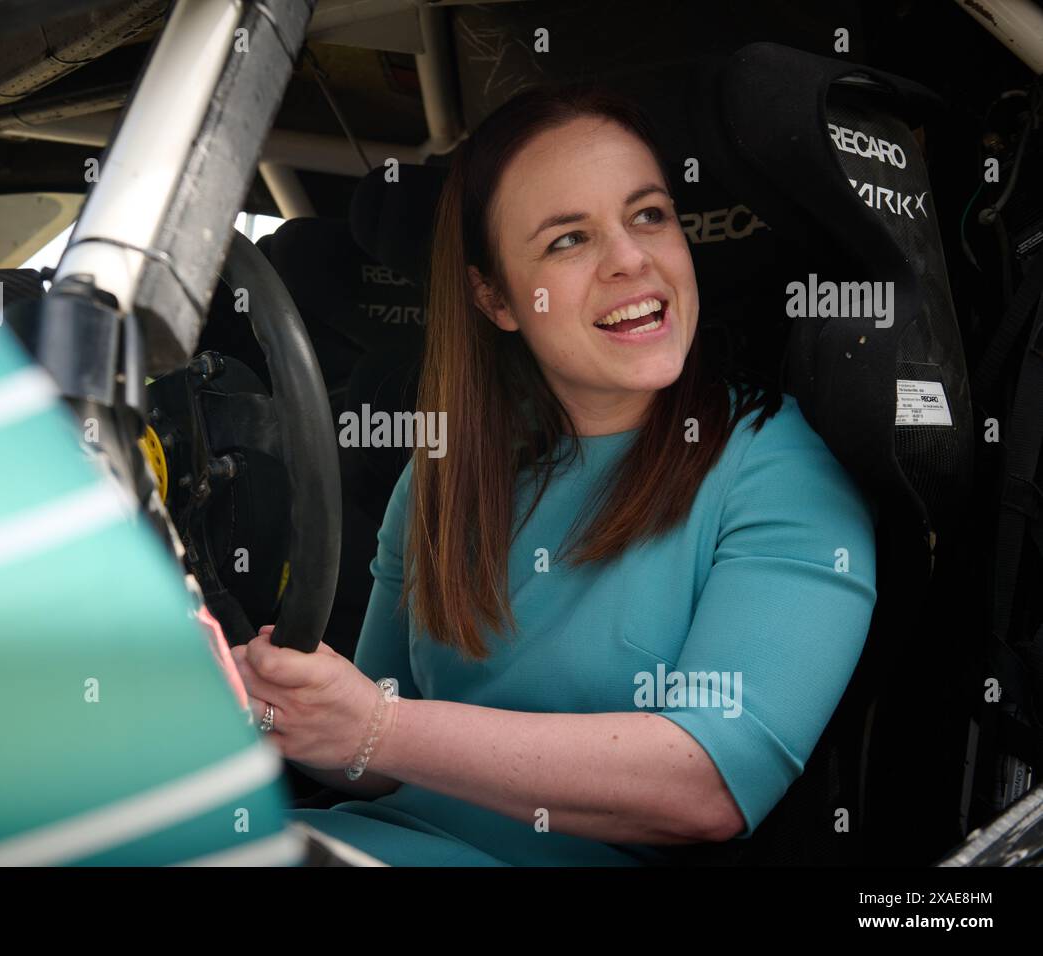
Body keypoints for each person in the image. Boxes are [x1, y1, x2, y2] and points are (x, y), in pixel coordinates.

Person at [231, 82, 878, 866]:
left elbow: (707, 783)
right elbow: (363, 765)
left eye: (649, 215)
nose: (632, 259)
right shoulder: (443, 476)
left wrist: (378, 728)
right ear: (496, 297)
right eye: (569, 239)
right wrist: (275, 701)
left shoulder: (771, 465)